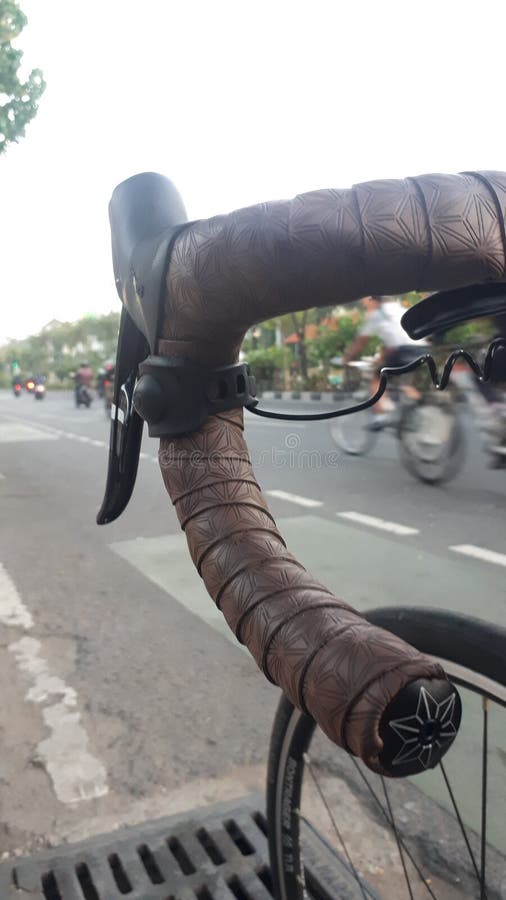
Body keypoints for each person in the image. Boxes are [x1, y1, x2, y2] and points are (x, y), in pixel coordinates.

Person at [343, 295, 428, 427]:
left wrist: (347, 358)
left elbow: (360, 342)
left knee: (377, 378)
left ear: (372, 300)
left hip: (404, 351)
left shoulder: (377, 314)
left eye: (365, 301)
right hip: (422, 350)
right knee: (405, 383)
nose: (364, 304)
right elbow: (391, 343)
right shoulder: (400, 309)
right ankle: (422, 406)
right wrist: (380, 359)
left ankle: (381, 416)